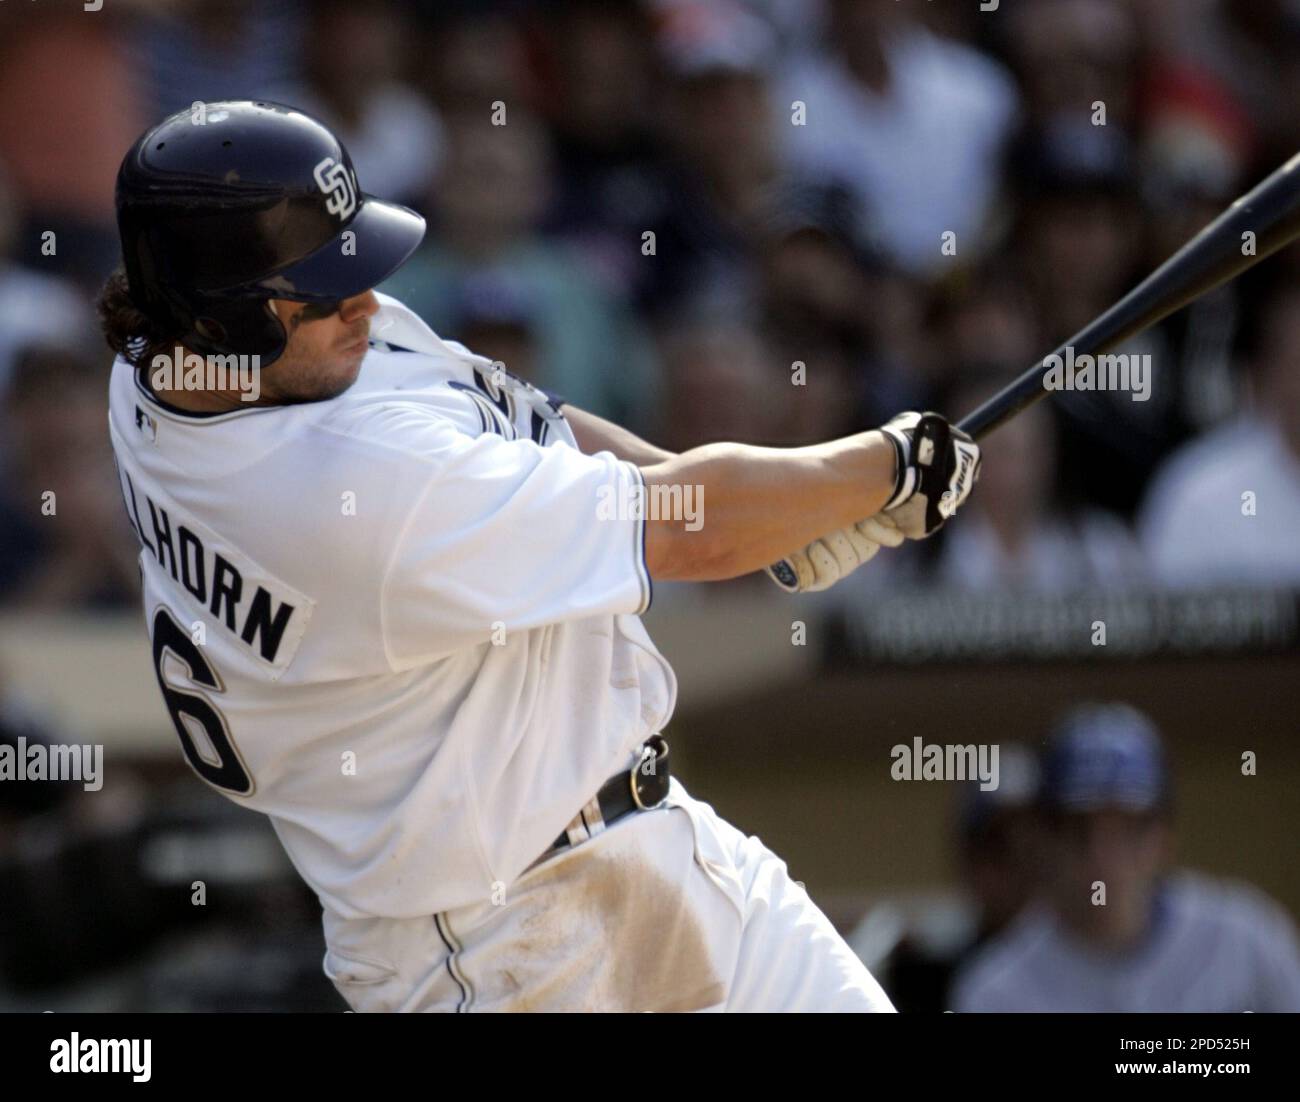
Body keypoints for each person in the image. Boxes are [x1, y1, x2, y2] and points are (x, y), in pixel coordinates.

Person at [99, 101, 980, 1012]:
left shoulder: (157, 369)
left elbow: (537, 423)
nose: (364, 302)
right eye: (322, 290)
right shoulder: (348, 492)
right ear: (222, 317)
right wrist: (883, 466)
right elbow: (691, 529)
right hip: (509, 945)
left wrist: (790, 507)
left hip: (653, 837)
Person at [950, 703, 1300, 1012]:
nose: (1103, 856)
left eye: (1128, 829)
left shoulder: (1246, 942)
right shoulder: (997, 991)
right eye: (1080, 830)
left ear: (1164, 838)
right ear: (1044, 837)